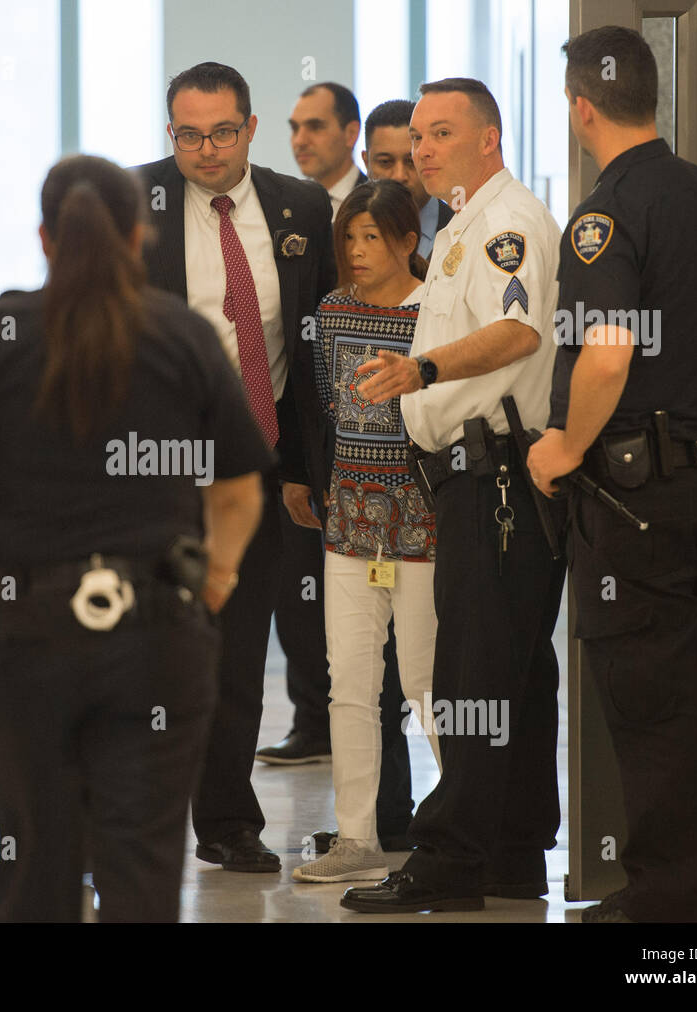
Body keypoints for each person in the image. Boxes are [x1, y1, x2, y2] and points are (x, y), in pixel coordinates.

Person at [0, 154, 271, 922]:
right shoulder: (182, 335)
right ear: (139, 234)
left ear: (45, 238)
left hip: (25, 640)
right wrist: (212, 584)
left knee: (36, 870)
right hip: (156, 637)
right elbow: (241, 489)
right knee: (143, 870)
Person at [528, 26, 697, 923]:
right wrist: (694, 395)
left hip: (632, 497)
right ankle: (675, 891)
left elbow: (604, 357)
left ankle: (661, 904)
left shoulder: (605, 214)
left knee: (649, 700)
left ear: (580, 107)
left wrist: (565, 445)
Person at [341, 78, 565, 914]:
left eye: (441, 134)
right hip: (472, 477)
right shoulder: (461, 225)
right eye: (418, 137)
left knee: (476, 672)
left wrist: (422, 370)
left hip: (498, 477)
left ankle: (450, 861)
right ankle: (510, 854)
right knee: (509, 670)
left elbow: (519, 331)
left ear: (490, 139)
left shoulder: (507, 224)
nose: (424, 150)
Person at [135, 62, 336, 872]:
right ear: (170, 133)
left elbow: (317, 344)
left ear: (251, 128)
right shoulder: (131, 203)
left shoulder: (303, 208)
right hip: (149, 467)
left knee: (238, 655)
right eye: (189, 134)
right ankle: (124, 820)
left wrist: (309, 469)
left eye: (222, 132)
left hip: (252, 469)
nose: (207, 149)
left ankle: (226, 822)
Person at [293, 181, 442, 884]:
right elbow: (325, 406)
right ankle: (355, 838)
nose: (355, 252)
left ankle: (453, 832)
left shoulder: (438, 313)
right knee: (349, 682)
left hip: (424, 522)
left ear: (408, 241)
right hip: (349, 523)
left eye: (371, 238)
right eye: (347, 238)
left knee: (424, 679)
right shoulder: (329, 313)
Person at [254, 80, 366, 777]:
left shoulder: (371, 209)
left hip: (355, 424)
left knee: (343, 592)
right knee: (292, 589)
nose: (301, 139)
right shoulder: (286, 214)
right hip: (285, 428)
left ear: (349, 131)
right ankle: (312, 717)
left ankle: (352, 717)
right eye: (294, 126)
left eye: (317, 125)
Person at [363, 99, 455, 259]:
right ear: (366, 162)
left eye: (411, 161)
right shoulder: (341, 238)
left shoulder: (463, 230)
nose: (399, 176)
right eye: (385, 162)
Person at [289, 81, 365, 218]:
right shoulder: (287, 206)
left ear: (351, 134)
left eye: (315, 127)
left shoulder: (377, 203)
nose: (299, 141)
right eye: (295, 128)